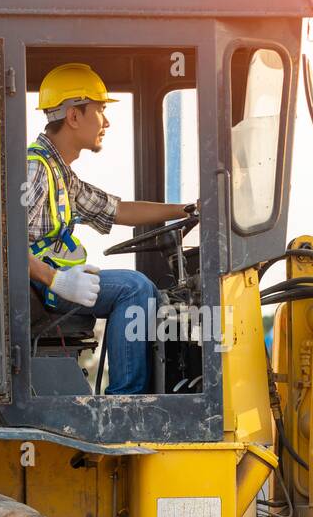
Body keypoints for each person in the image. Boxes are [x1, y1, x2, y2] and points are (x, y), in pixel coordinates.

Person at [25, 63, 191, 394]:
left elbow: (118, 210)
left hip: (53, 283)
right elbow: (6, 241)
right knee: (135, 289)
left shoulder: (60, 172)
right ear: (74, 116)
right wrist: (56, 280)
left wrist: (188, 209)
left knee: (141, 289)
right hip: (43, 287)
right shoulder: (36, 168)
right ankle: (124, 403)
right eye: (100, 110)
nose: (107, 121)